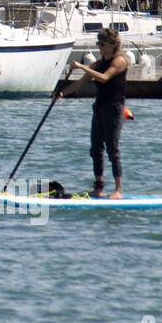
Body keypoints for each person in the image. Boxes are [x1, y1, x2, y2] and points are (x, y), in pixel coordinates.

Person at [54, 26, 129, 199]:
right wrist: (62, 94)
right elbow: (79, 83)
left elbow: (104, 78)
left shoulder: (120, 61)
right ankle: (99, 187)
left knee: (112, 147)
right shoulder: (98, 63)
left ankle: (118, 190)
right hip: (100, 107)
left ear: (112, 45)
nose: (99, 47)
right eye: (98, 43)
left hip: (114, 109)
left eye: (102, 43)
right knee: (95, 147)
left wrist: (82, 66)